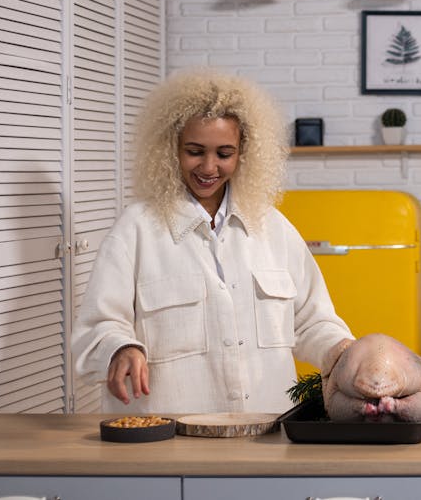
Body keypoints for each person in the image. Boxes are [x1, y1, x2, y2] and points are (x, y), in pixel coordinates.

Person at [73, 68, 353, 413]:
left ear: (242, 153)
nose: (209, 167)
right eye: (194, 151)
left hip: (266, 435)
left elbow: (313, 321)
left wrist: (344, 353)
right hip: (168, 441)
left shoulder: (274, 229)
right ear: (170, 149)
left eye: (224, 153)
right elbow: (95, 329)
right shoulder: (136, 230)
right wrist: (120, 349)